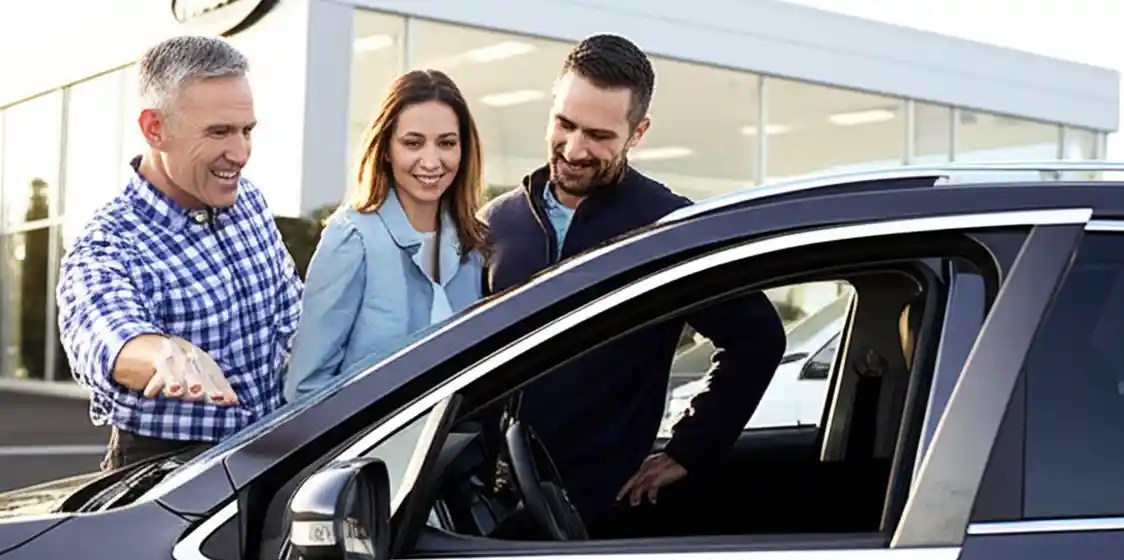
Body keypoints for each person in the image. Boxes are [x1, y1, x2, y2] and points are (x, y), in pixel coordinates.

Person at [481, 34, 786, 534]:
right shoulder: (497, 224)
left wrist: (690, 448)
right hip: (489, 510)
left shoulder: (667, 227)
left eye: (600, 135)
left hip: (599, 519)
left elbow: (757, 338)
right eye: (565, 125)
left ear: (637, 133)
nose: (575, 149)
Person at [56, 35, 303, 472]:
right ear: (155, 128)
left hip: (272, 455)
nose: (241, 153)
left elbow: (292, 314)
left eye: (246, 130)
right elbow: (103, 332)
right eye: (219, 132)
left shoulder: (251, 204)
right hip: (169, 480)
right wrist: (158, 353)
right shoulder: (109, 242)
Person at [284, 70, 490, 401]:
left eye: (447, 143)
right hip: (369, 450)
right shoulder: (351, 237)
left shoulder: (473, 243)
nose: (431, 161)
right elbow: (305, 387)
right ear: (385, 149)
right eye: (413, 143)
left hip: (452, 447)